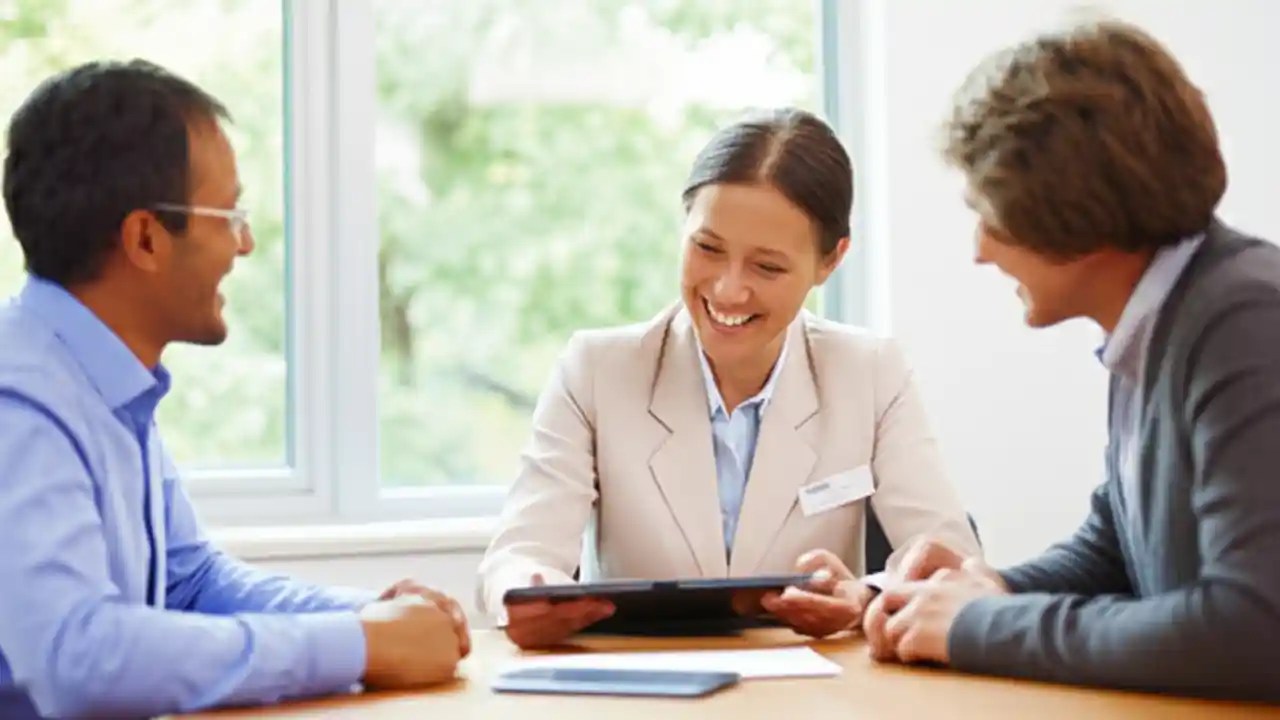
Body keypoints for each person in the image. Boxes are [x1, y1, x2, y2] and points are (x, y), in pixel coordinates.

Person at [787, 19, 1280, 701]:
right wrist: (983, 588)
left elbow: (1252, 631)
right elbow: (1116, 549)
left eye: (990, 214)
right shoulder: (1162, 322)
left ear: (1071, 214)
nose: (980, 250)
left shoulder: (1244, 322)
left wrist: (981, 625)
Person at [0, 60, 470, 719]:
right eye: (229, 214)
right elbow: (78, 659)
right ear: (145, 238)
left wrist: (374, 615)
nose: (245, 244)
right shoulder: (18, 402)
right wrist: (361, 644)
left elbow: (190, 584)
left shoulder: (101, 384)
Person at [477, 107, 981, 648]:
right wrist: (525, 594)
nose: (727, 291)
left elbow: (949, 560)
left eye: (767, 267)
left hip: (813, 690)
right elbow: (520, 553)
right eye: (707, 249)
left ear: (830, 262)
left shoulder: (871, 372)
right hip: (640, 681)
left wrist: (867, 596)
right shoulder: (597, 369)